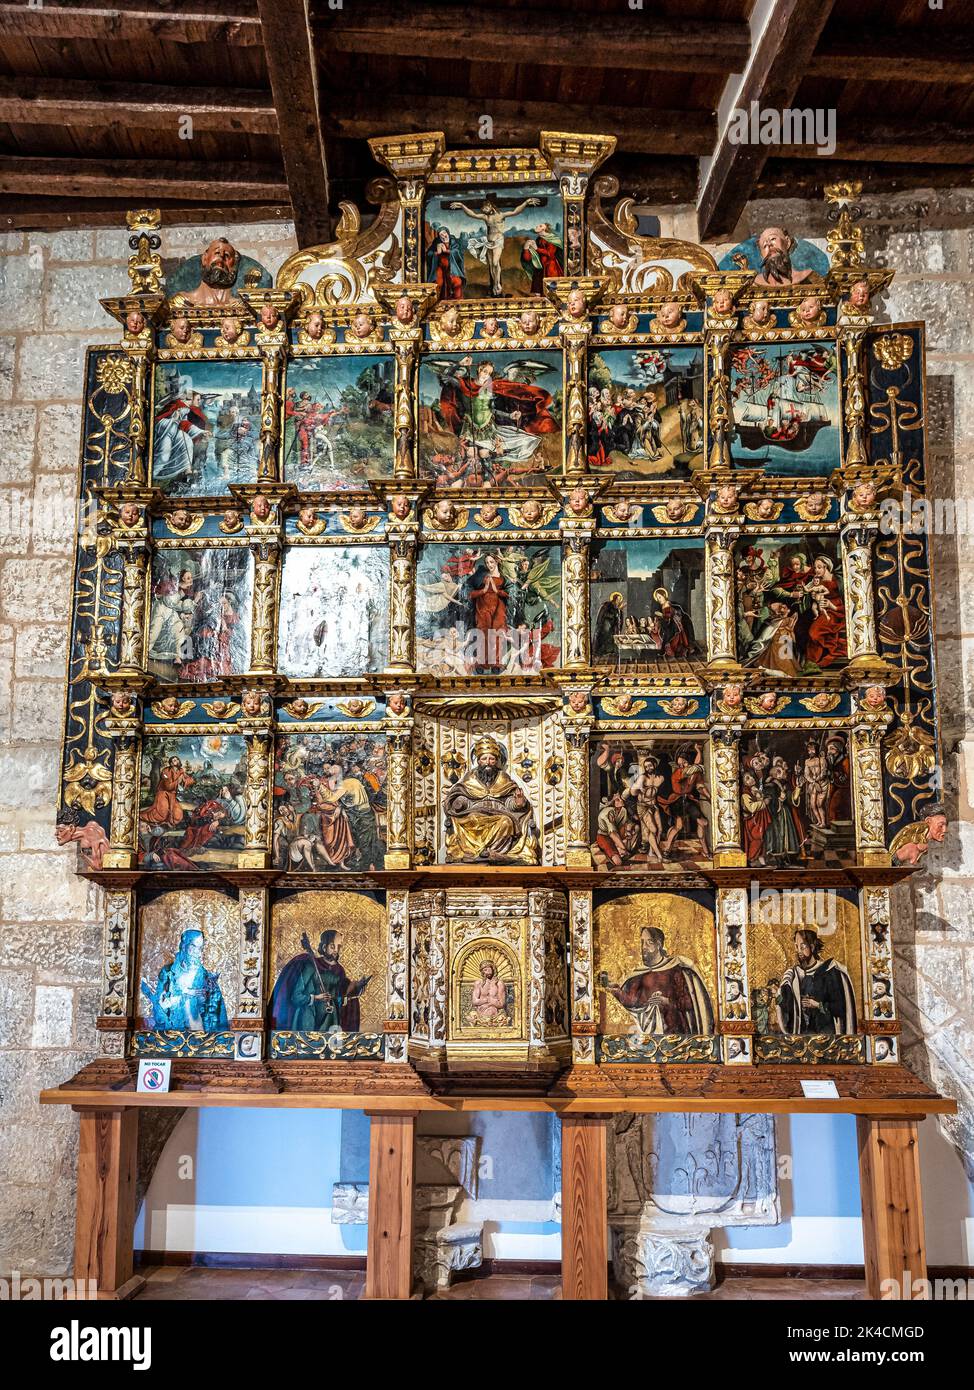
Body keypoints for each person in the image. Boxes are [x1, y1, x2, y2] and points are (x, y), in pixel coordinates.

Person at [599, 926, 714, 1035]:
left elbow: (689, 1003)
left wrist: (667, 1001)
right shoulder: (638, 975)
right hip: (646, 1036)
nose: (644, 947)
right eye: (642, 942)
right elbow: (632, 1003)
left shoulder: (674, 969)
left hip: (675, 1034)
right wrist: (614, 989)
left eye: (649, 942)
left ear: (658, 944)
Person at [444, 735, 539, 864]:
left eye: (492, 759)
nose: (488, 762)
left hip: (500, 816)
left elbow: (508, 802)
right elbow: (463, 795)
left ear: (497, 760)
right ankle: (476, 852)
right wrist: (459, 802)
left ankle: (494, 854)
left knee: (506, 822)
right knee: (472, 819)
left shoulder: (503, 778)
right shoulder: (470, 778)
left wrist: (518, 804)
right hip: (475, 815)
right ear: (478, 761)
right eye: (484, 758)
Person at [270, 930, 371, 1032]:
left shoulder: (339, 970)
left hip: (331, 1021)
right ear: (324, 947)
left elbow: (339, 999)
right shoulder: (311, 966)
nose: (336, 950)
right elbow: (296, 997)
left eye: (339, 947)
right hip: (308, 1020)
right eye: (332, 946)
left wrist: (353, 990)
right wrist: (316, 998)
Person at [142, 928, 227, 1031]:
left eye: (200, 948)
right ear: (183, 946)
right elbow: (161, 1005)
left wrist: (205, 1001)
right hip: (173, 1032)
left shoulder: (206, 977)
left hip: (199, 1033)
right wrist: (186, 993)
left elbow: (215, 1012)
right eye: (193, 946)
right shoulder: (168, 973)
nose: (197, 952)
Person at [776, 930, 857, 1034]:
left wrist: (817, 1005)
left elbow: (840, 1008)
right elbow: (785, 1006)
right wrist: (777, 995)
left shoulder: (829, 971)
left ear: (812, 947)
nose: (798, 951)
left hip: (825, 1033)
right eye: (796, 946)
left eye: (803, 946)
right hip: (802, 1034)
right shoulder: (793, 975)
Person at [467, 959, 509, 1025]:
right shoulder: (479, 983)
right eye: (484, 970)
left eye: (488, 969)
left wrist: (489, 1003)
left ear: (493, 969)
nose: (487, 972)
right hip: (481, 1012)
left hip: (495, 1012)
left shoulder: (499, 984)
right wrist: (487, 1000)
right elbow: (474, 1001)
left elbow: (501, 1004)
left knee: (492, 1011)